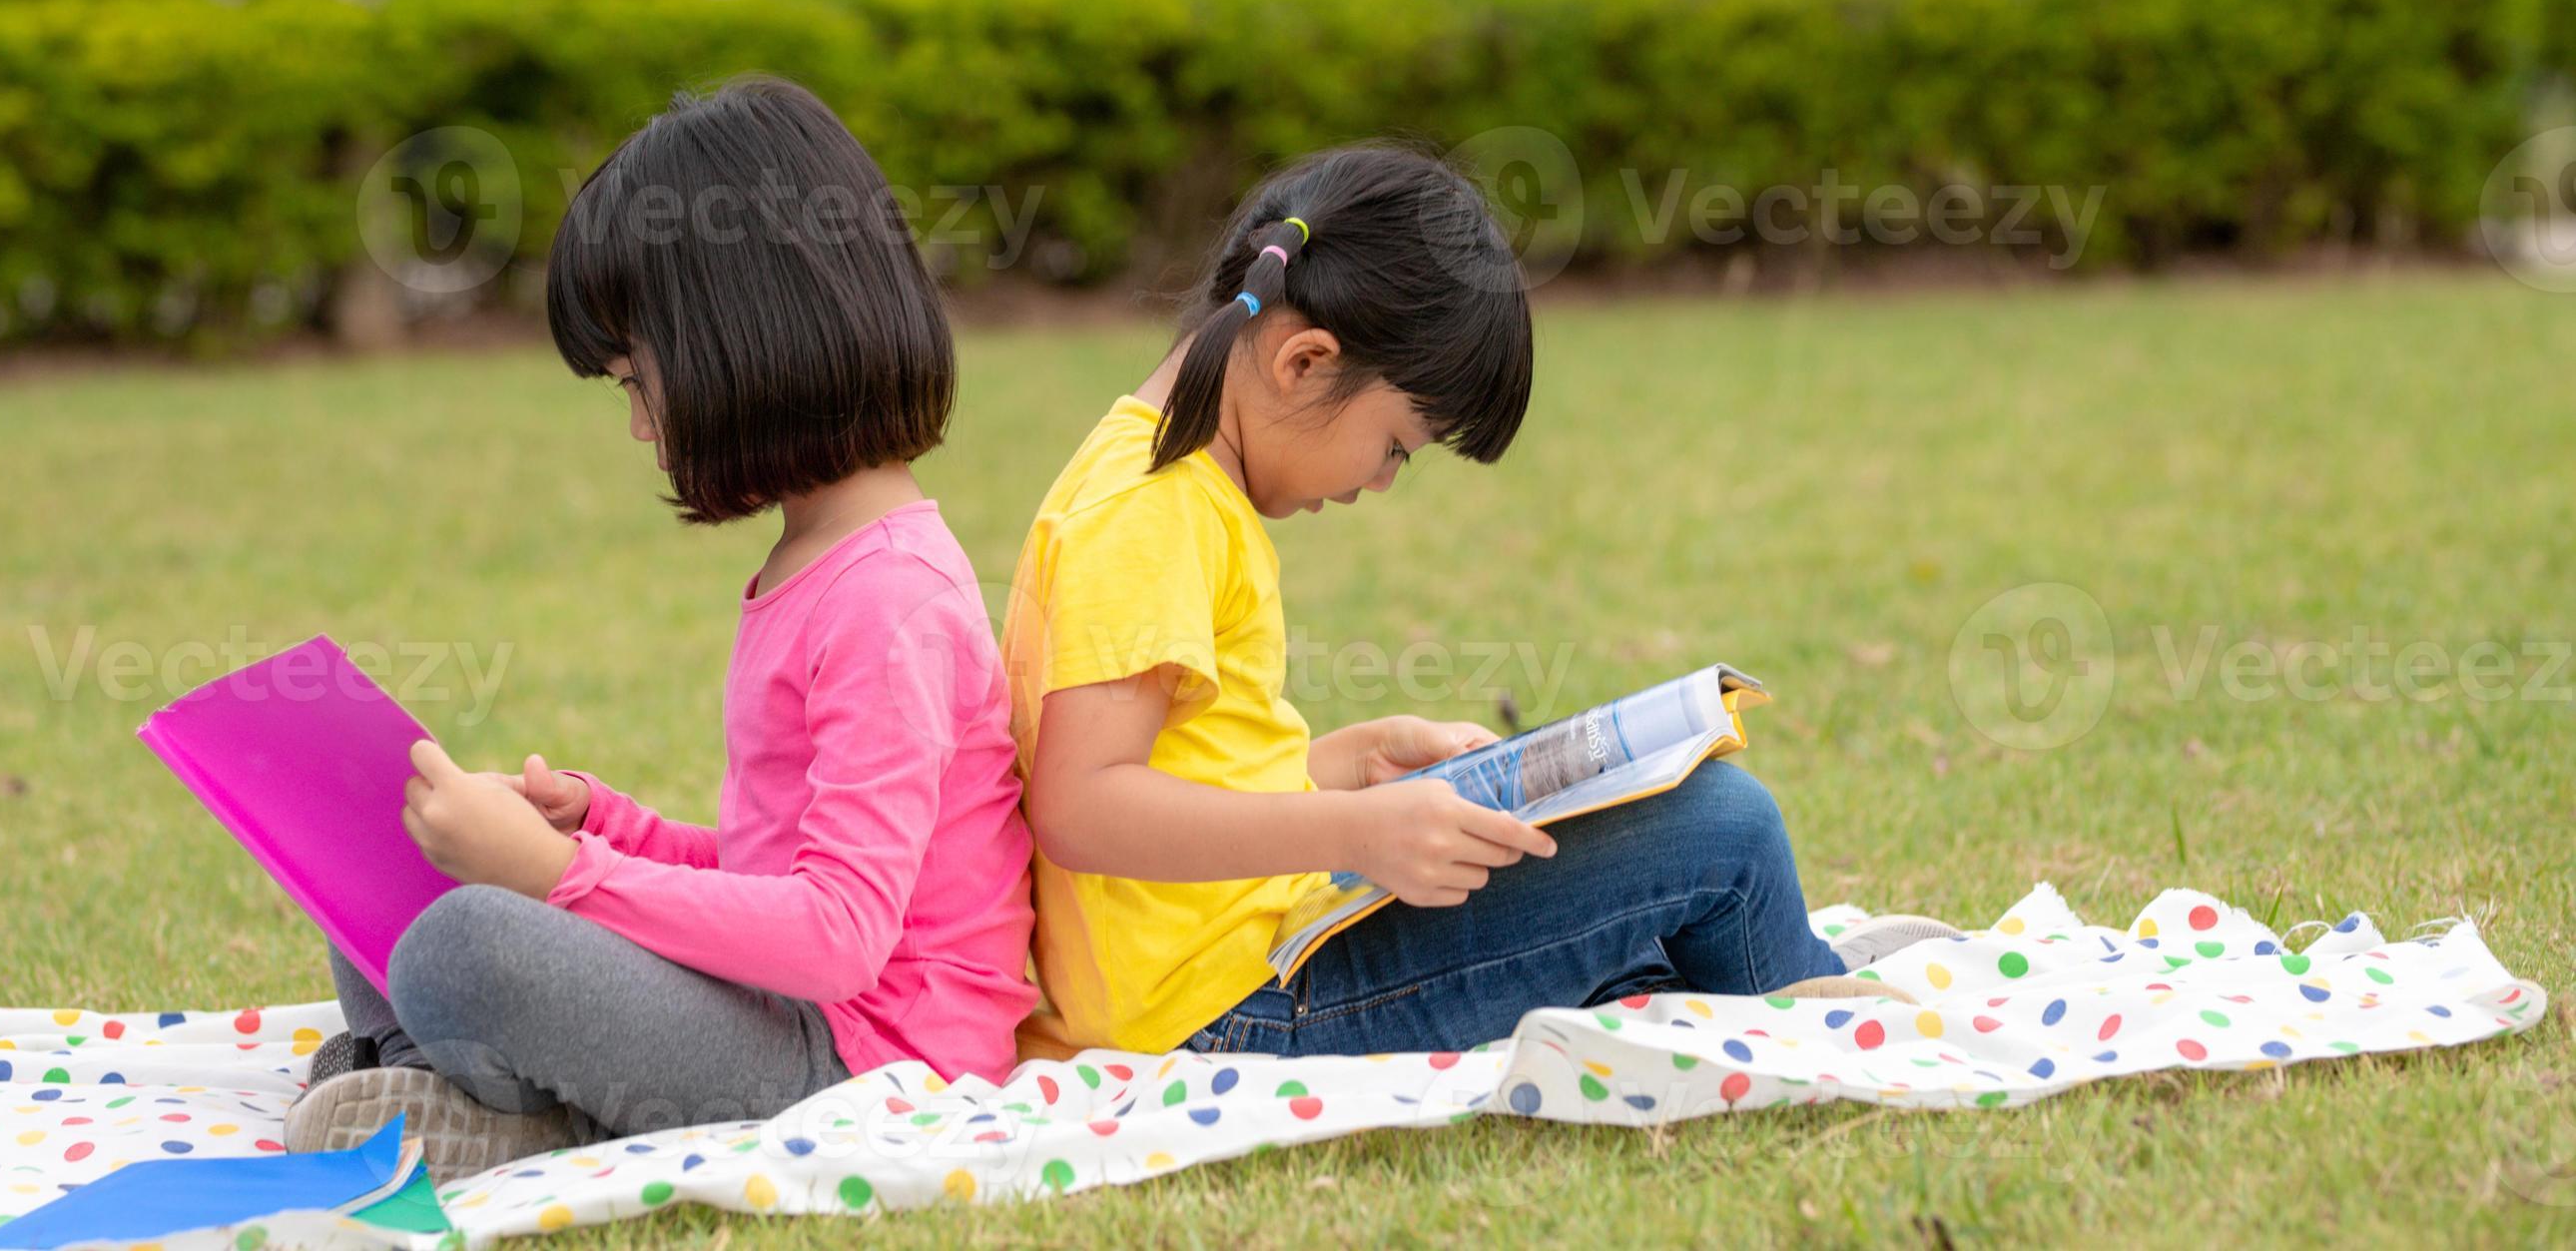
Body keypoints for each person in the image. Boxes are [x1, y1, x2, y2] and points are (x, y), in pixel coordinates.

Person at [1003, 144, 1946, 1062]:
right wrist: (1352, 831)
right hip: (1232, 1014)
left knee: (1618, 860)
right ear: (1305, 362)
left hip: (1246, 960)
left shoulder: (1161, 480)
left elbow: (1184, 767)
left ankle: (1744, 976)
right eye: (1398, 445)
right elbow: (1083, 807)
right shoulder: (1150, 510)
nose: (1382, 481)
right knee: (1722, 827)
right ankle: (1796, 990)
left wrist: (1352, 762)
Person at [289, 78, 1034, 1171]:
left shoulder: (892, 598)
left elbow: (837, 933)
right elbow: (768, 868)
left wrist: (559, 878)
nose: (640, 425)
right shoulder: (820, 560)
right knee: (386, 865)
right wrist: (601, 825)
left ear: (748, 335)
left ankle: (472, 1100)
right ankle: (444, 1085)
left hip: (855, 1063)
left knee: (466, 942)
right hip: (781, 1008)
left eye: (640, 381)